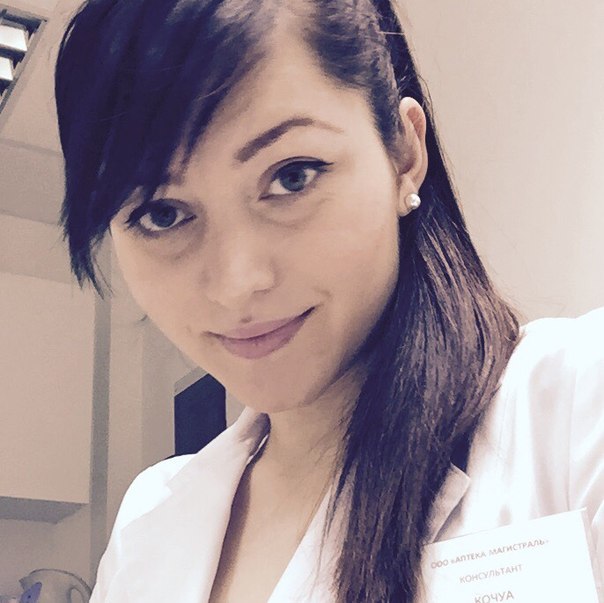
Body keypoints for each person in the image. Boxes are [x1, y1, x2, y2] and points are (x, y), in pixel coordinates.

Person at [54, 0, 604, 601]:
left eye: (292, 175)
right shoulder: (147, 522)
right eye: (162, 214)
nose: (239, 282)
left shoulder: (575, 408)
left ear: (404, 154)